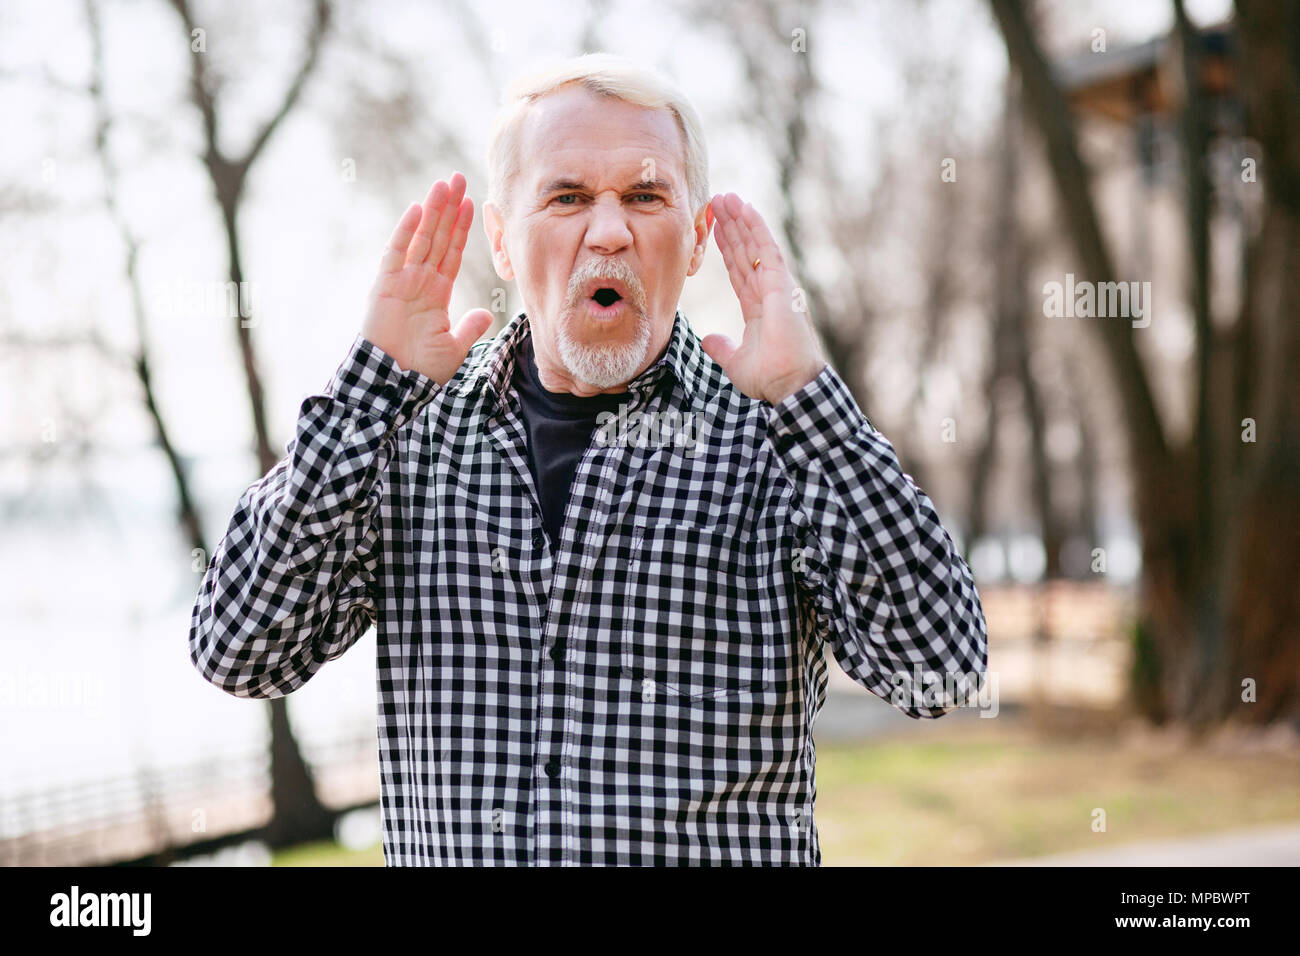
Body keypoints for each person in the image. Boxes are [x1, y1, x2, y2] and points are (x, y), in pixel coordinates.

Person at [189, 52, 988, 865]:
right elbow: (239, 649)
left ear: (695, 239)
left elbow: (941, 672)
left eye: (645, 196)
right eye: (567, 197)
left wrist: (807, 400)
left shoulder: (779, 440)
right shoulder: (404, 442)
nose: (608, 231)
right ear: (502, 240)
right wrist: (365, 398)